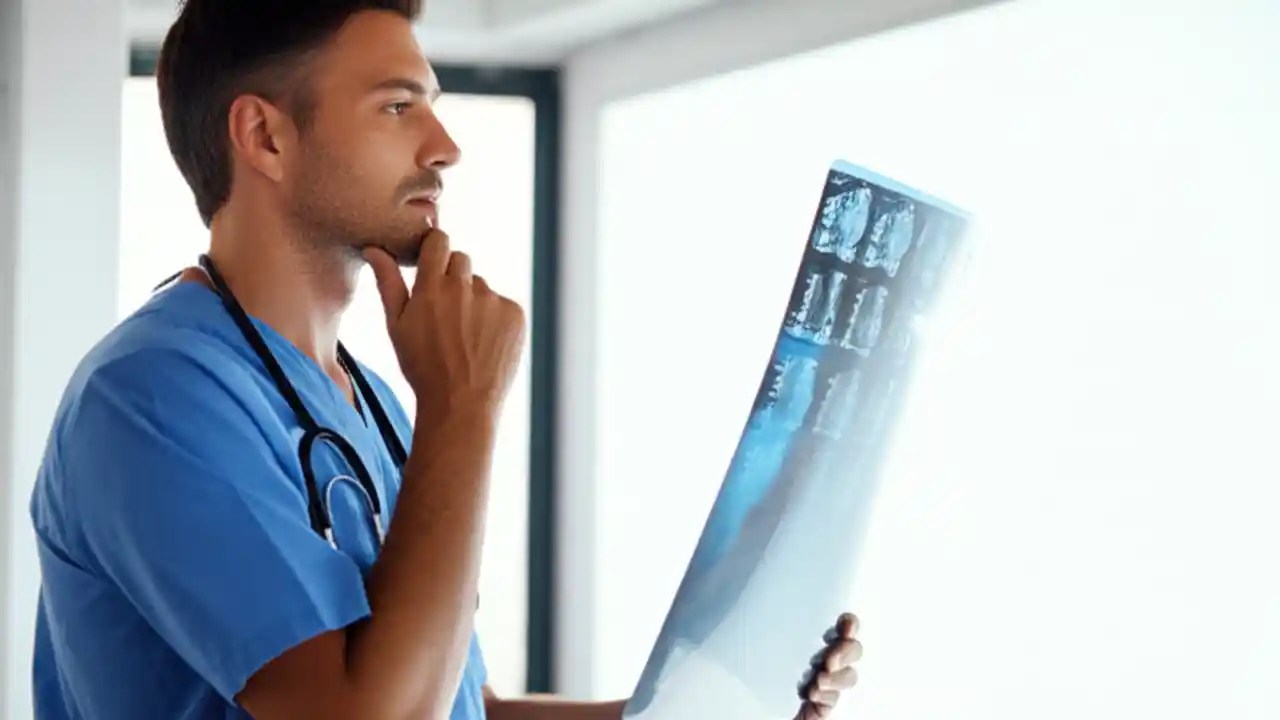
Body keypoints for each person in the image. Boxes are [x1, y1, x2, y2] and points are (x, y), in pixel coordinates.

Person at [27, 1, 863, 718]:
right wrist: (464, 409)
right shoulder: (151, 397)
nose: (445, 146)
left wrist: (705, 705)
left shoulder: (375, 406)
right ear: (265, 138)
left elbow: (455, 702)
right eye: (398, 108)